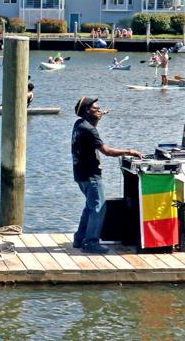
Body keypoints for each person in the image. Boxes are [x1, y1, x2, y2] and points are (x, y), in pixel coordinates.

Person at [71, 97, 143, 254]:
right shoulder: (89, 130)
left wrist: (96, 120)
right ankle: (91, 242)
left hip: (80, 174)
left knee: (90, 207)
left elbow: (91, 136)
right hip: (91, 175)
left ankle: (79, 238)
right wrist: (129, 151)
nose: (99, 110)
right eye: (96, 109)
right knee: (99, 208)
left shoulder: (80, 124)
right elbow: (107, 151)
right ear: (86, 111)